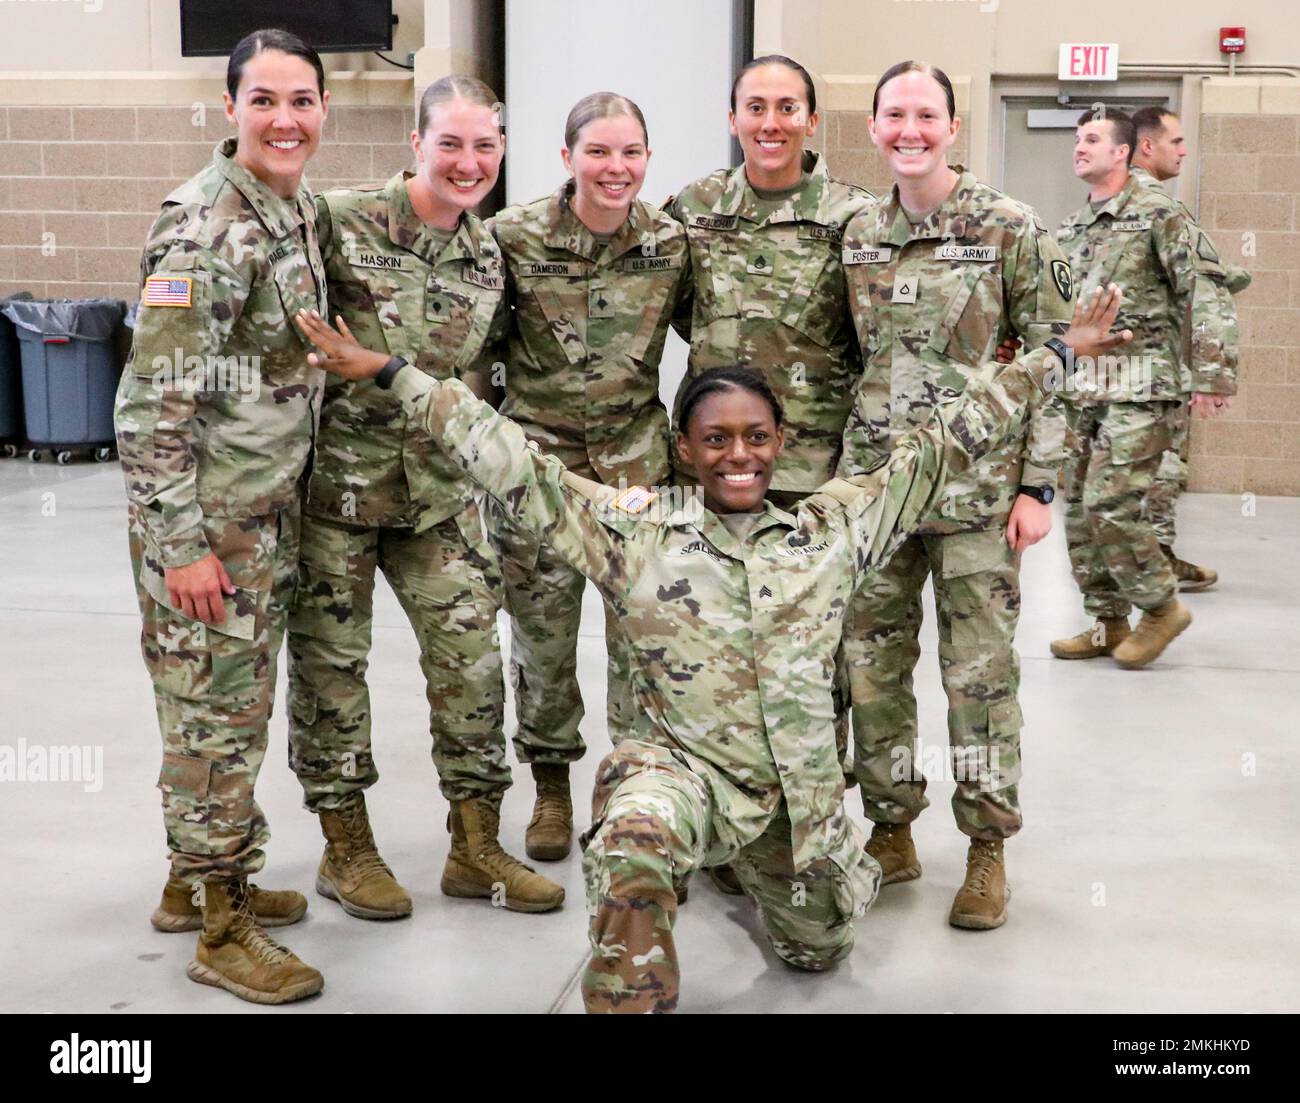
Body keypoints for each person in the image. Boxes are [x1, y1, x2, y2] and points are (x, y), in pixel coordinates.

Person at [293, 284, 1131, 1013]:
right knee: (633, 843)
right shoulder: (634, 529)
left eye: (757, 436)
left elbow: (947, 439)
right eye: (718, 438)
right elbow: (515, 463)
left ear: (780, 441)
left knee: (820, 948)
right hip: (678, 778)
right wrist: (393, 373)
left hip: (793, 803)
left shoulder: (833, 527)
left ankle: (834, 871)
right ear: (686, 449)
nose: (740, 454)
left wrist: (1058, 352)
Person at [285, 76, 563, 917]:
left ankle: (476, 847)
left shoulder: (489, 256)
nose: (468, 162)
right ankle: (346, 848)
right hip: (335, 494)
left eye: (485, 146)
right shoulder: (338, 221)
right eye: (450, 143)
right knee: (332, 675)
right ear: (417, 143)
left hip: (438, 500)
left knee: (473, 668)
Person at [114, 29, 330, 1004]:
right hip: (208, 530)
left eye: (302, 100)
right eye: (266, 100)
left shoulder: (293, 208)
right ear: (231, 108)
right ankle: (221, 923)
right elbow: (150, 403)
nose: (285, 118)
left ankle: (196, 875)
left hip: (262, 518)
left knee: (230, 716)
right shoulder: (203, 226)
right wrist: (183, 547)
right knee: (212, 722)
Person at [835, 61, 1075, 930]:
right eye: (894, 114)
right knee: (872, 669)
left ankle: (986, 847)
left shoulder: (1011, 227)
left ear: (952, 125)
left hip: (979, 493)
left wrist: (1039, 483)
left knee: (977, 676)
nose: (910, 129)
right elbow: (843, 362)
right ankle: (892, 827)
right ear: (872, 126)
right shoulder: (857, 230)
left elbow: (1056, 354)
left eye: (926, 115)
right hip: (881, 490)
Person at [668, 53, 874, 894]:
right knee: (716, 645)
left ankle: (809, 822)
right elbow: (678, 311)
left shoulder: (852, 217)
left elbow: (869, 330)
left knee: (812, 654)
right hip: (721, 468)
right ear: (732, 117)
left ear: (813, 121)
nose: (772, 122)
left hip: (811, 466)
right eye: (756, 106)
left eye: (789, 107)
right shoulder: (694, 209)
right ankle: (726, 816)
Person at [484, 92, 692, 861]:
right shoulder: (513, 237)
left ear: (647, 159)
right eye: (599, 152)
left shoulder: (671, 243)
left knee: (644, 645)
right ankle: (549, 787)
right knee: (542, 641)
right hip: (542, 476)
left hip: (639, 472)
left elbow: (711, 333)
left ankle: (637, 792)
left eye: (630, 152)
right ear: (567, 157)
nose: (616, 168)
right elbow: (478, 348)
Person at [1051, 108, 1234, 669]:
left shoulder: (1158, 211)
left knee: (1111, 503)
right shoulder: (1072, 228)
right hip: (1085, 390)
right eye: (1077, 139)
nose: (1079, 147)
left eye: (1092, 140)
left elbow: (1206, 288)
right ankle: (1107, 622)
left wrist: (1211, 372)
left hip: (1143, 385)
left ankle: (1160, 607)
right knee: (1080, 510)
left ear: (1124, 151)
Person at [1129, 105, 1248, 590]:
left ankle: (1146, 561)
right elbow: (1207, 288)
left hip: (1113, 373)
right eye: (1176, 141)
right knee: (1162, 467)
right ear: (1146, 145)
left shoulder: (1104, 207)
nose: (1183, 150)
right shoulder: (1162, 208)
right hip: (1155, 370)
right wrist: (1211, 375)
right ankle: (1152, 566)